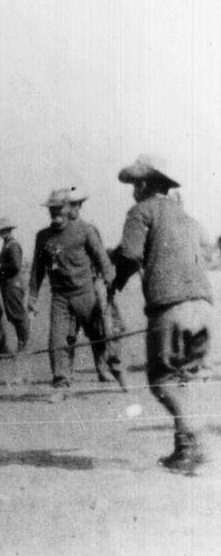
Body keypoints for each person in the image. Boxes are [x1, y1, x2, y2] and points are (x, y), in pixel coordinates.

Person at [111, 155, 214, 474]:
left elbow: (129, 254)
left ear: (143, 184)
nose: (132, 192)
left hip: (169, 307)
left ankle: (194, 440)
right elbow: (208, 249)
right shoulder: (186, 215)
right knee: (185, 378)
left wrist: (115, 282)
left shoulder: (140, 212)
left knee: (161, 380)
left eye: (133, 185)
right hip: (204, 307)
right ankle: (183, 448)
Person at [28, 189, 117, 403]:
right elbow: (37, 270)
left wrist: (109, 280)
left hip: (85, 292)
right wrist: (32, 297)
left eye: (59, 209)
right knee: (57, 339)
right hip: (60, 296)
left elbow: (102, 258)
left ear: (68, 208)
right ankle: (61, 383)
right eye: (52, 209)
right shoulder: (43, 237)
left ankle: (102, 367)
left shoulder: (85, 230)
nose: (55, 213)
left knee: (98, 333)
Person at [63, 188, 128, 390]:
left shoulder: (89, 229)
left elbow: (101, 258)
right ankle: (67, 373)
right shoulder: (56, 234)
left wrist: (105, 282)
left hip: (90, 286)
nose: (73, 209)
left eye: (76, 205)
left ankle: (101, 369)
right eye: (69, 205)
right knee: (69, 333)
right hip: (67, 289)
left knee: (97, 329)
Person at [0, 217, 29, 359]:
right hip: (8, 284)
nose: (1, 233)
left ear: (9, 230)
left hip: (13, 284)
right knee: (14, 314)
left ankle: (23, 346)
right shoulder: (7, 244)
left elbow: (15, 266)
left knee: (18, 315)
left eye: (4, 230)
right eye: (1, 230)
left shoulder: (12, 245)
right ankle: (21, 345)